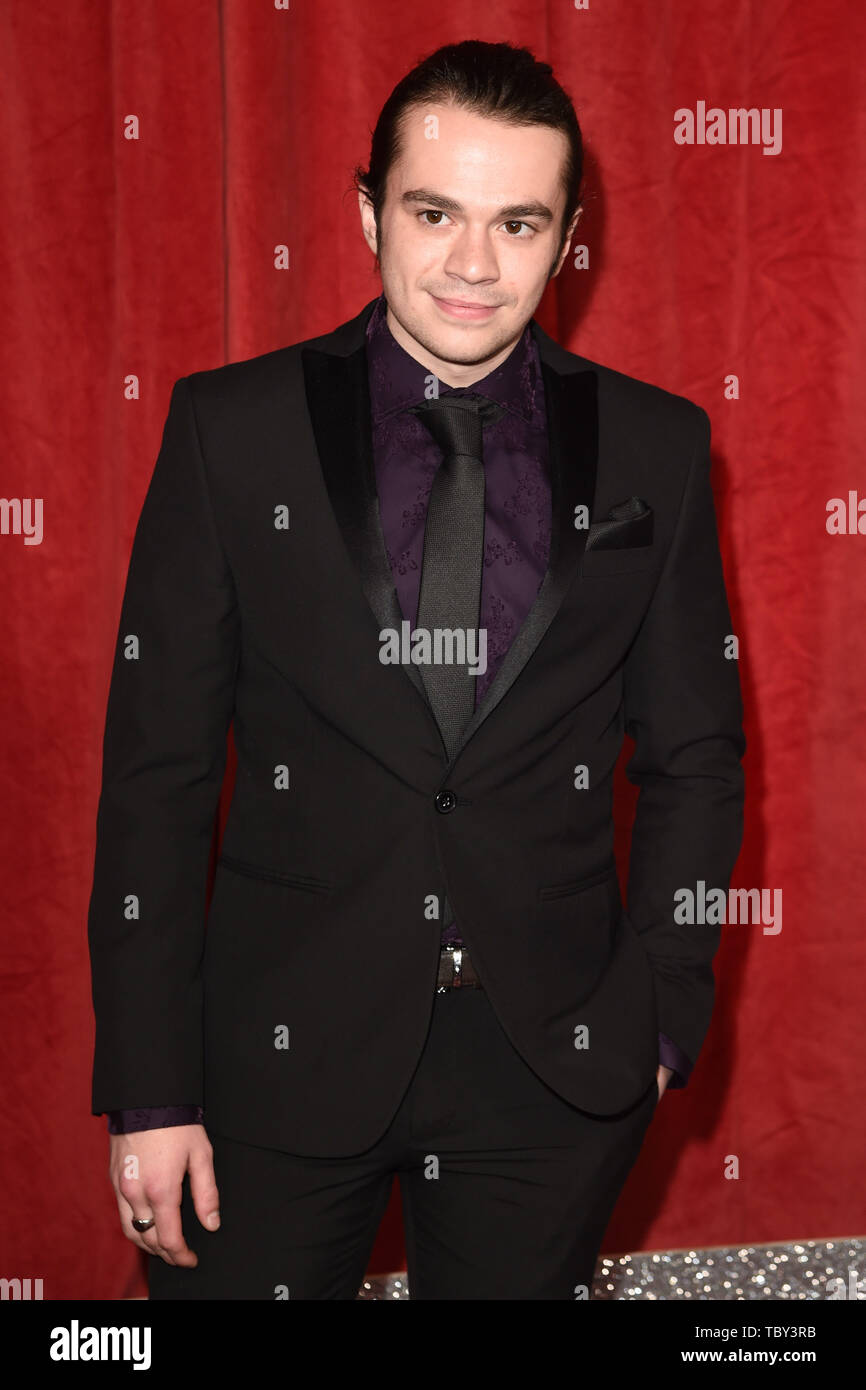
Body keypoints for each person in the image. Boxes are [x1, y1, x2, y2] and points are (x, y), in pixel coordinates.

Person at [88, 39, 745, 1300]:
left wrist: (659, 1016)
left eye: (518, 222)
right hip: (267, 1070)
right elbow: (155, 778)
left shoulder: (656, 448)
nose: (472, 265)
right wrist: (151, 1085)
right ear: (366, 210)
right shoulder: (232, 431)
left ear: (566, 237)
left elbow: (697, 758)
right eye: (433, 212)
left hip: (549, 1073)